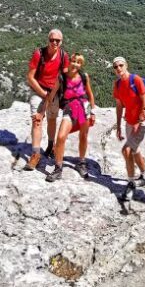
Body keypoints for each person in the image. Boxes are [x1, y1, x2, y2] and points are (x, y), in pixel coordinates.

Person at [42, 53, 96, 182]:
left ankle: (81, 163)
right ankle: (58, 168)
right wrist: (43, 110)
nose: (75, 64)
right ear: (69, 61)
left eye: (78, 62)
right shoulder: (61, 77)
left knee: (83, 136)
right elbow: (52, 94)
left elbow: (90, 94)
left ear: (81, 65)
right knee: (61, 137)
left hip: (83, 109)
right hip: (69, 109)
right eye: (73, 61)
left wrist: (93, 111)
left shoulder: (84, 76)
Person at [24, 29, 69, 171]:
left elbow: (66, 77)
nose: (54, 42)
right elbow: (30, 77)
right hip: (39, 90)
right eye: (52, 40)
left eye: (58, 40)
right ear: (48, 40)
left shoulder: (63, 56)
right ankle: (36, 154)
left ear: (61, 42)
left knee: (51, 119)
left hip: (54, 92)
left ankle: (51, 146)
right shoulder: (39, 54)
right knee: (37, 121)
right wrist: (43, 94)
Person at [112, 57, 145, 198]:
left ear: (126, 65)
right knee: (135, 150)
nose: (119, 68)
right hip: (128, 122)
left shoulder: (136, 80)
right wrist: (118, 126)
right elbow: (119, 105)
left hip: (139, 123)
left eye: (121, 65)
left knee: (126, 150)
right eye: (116, 67)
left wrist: (141, 116)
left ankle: (131, 183)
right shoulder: (117, 85)